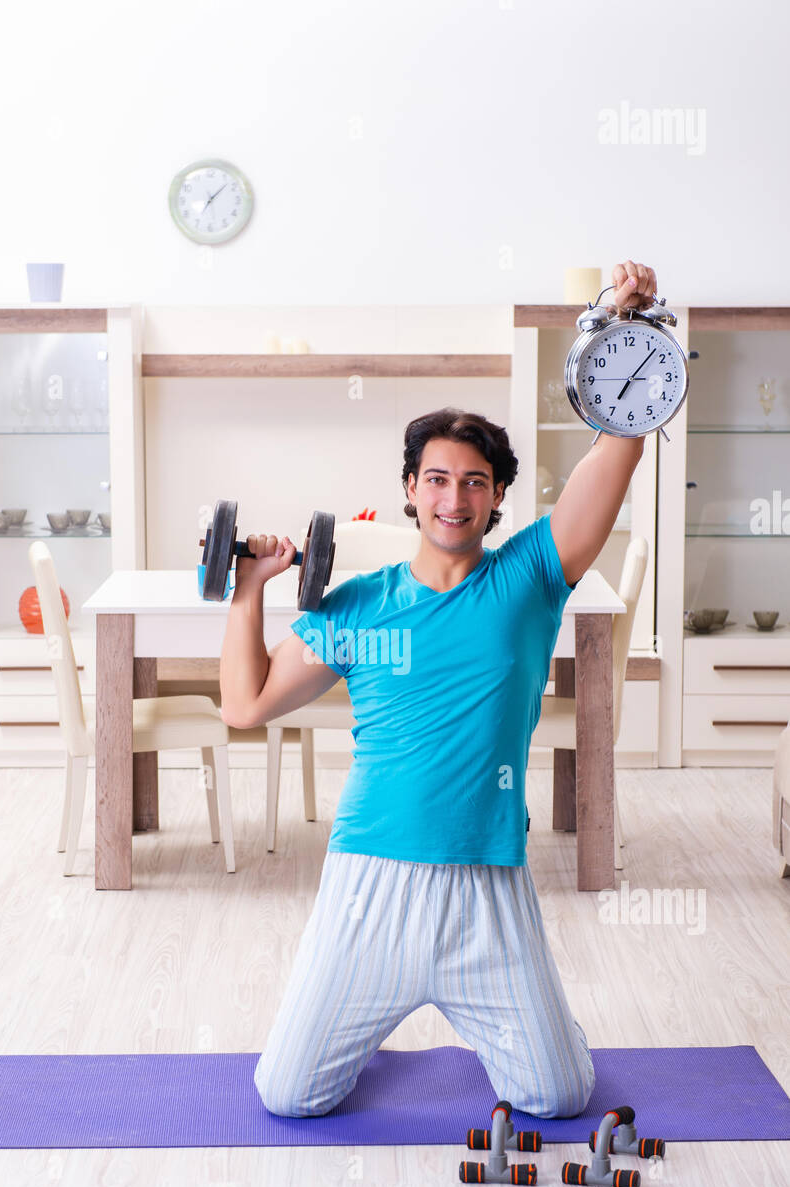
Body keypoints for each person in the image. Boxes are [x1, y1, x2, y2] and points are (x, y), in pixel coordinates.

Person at [220, 260, 656, 1119]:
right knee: (288, 1097)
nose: (452, 496)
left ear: (496, 500)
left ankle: (516, 1019)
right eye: (435, 478)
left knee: (556, 1095)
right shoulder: (356, 607)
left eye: (473, 481)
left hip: (485, 884)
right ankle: (363, 1013)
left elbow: (622, 440)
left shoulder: (531, 576)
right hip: (369, 880)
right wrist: (250, 589)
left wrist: (619, 321)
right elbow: (246, 705)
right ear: (409, 491)